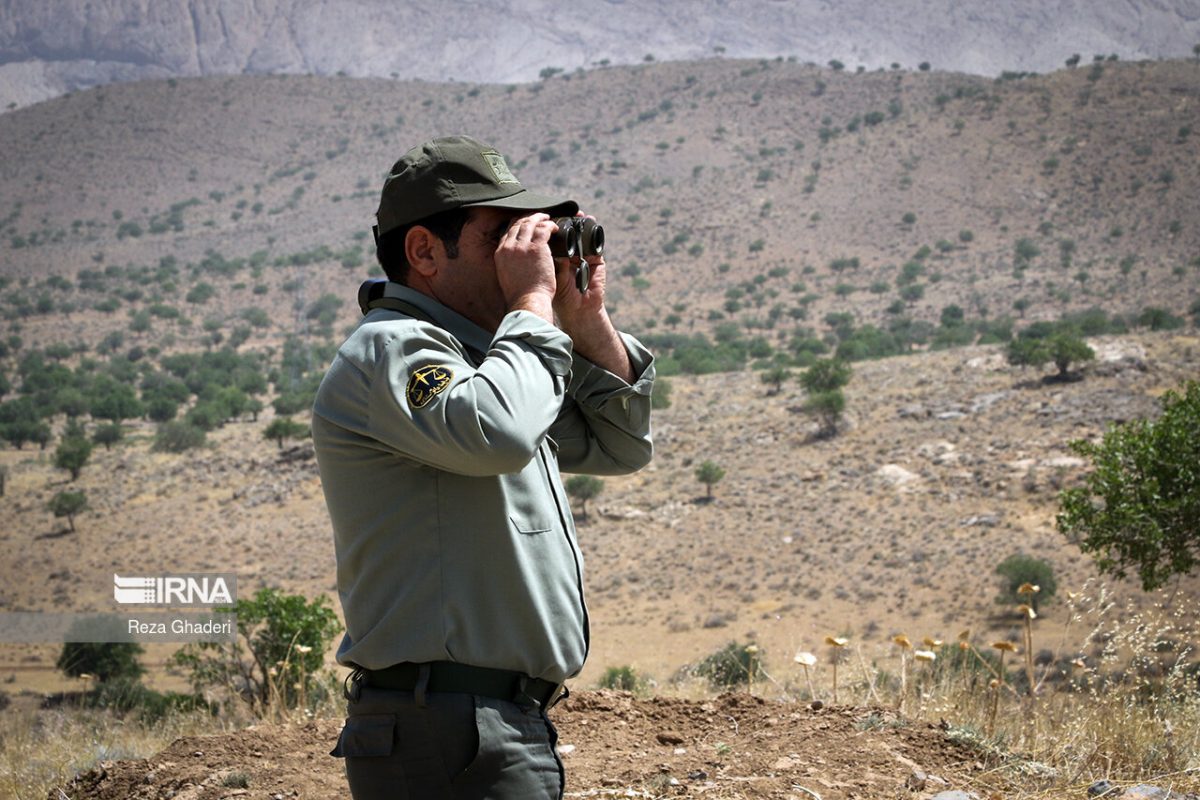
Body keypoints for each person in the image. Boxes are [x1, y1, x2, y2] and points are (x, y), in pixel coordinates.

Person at [311, 135, 655, 799]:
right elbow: (495, 432)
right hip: (443, 723)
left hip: (490, 721)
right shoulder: (390, 351)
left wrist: (586, 320)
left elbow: (621, 446)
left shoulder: (493, 363)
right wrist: (530, 303)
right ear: (423, 251)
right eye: (501, 234)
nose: (524, 252)